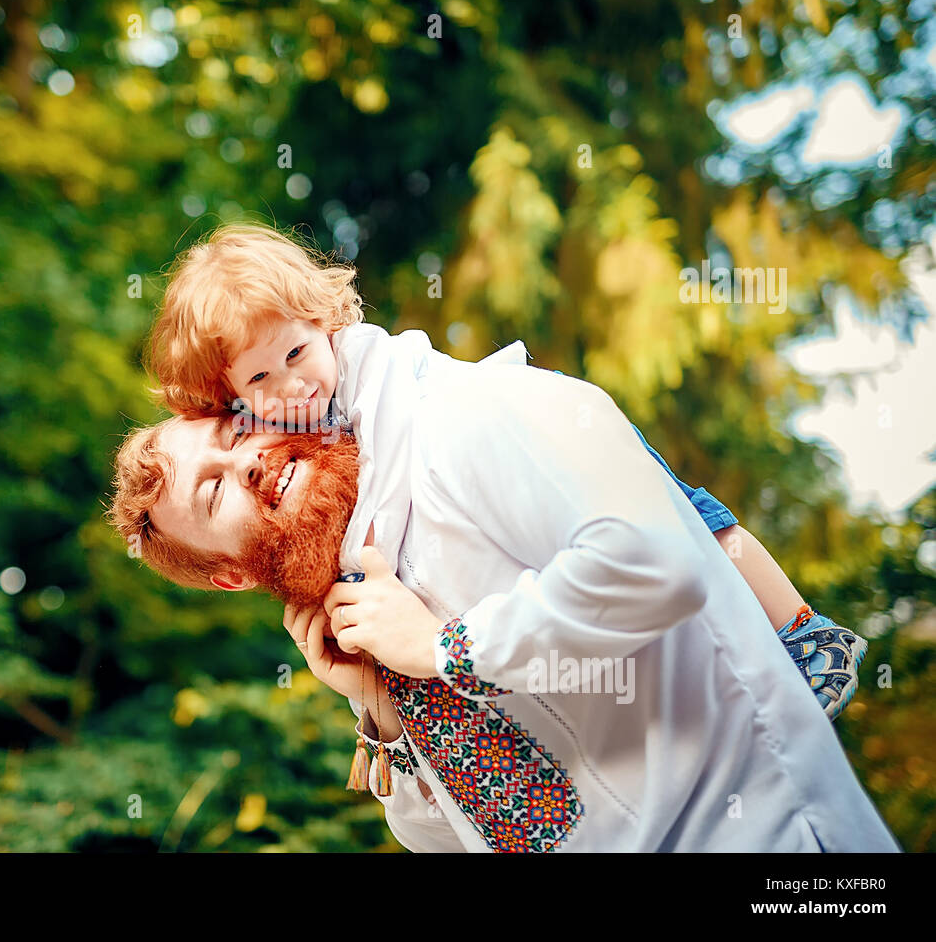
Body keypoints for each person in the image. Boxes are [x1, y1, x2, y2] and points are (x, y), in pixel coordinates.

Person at [105, 348, 900, 851]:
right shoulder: (364, 595)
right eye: (212, 495)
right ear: (229, 575)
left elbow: (661, 561)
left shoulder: (460, 424)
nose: (246, 463)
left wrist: (443, 650)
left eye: (236, 436)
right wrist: (381, 711)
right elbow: (482, 831)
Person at [146, 222, 866, 719]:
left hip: (554, 436)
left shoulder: (377, 376)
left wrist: (429, 641)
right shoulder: (281, 437)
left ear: (323, 321)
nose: (290, 386)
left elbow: (403, 456)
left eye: (297, 355)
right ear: (233, 396)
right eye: (261, 379)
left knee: (699, 522)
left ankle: (801, 630)